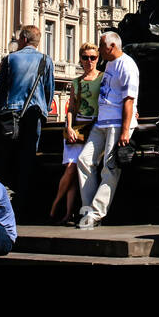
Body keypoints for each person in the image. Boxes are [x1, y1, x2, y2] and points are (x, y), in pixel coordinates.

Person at [77, 31, 140, 228]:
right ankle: (87, 208)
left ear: (111, 46)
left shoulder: (127, 65)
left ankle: (95, 214)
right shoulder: (110, 64)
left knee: (110, 168)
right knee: (84, 160)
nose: (99, 49)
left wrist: (125, 129)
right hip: (102, 122)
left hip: (116, 123)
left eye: (101, 45)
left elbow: (129, 99)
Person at [0, 23, 55, 212]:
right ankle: (25, 200)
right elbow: (49, 90)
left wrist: (0, 110)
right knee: (28, 157)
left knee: (7, 156)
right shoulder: (46, 60)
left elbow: (1, 90)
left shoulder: (10, 59)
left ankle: (4, 198)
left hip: (9, 115)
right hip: (34, 114)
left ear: (23, 39)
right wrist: (43, 110)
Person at [52, 41, 102, 222]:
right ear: (80, 60)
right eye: (85, 58)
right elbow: (71, 108)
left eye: (93, 58)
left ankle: (57, 207)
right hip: (77, 129)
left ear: (98, 58)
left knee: (78, 168)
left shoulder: (103, 78)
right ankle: (67, 211)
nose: (89, 61)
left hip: (94, 128)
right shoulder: (77, 82)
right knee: (71, 169)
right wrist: (69, 127)